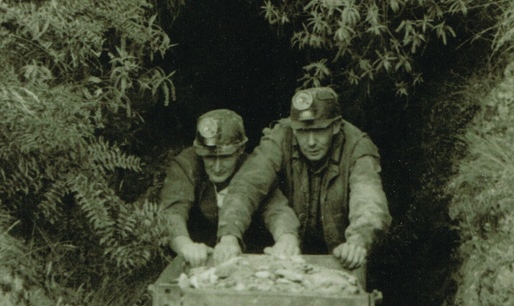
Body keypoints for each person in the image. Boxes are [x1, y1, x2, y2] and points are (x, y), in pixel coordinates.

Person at [213, 87, 391, 270]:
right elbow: (248, 183)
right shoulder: (281, 136)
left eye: (319, 130)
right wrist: (229, 236)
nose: (311, 141)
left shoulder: (357, 146)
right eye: (303, 131)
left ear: (336, 126)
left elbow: (369, 200)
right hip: (286, 250)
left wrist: (357, 241)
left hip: (342, 255)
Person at [159, 109, 300, 267]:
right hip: (199, 255)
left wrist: (286, 237)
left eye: (225, 157)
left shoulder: (254, 167)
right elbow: (172, 211)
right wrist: (185, 245)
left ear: (240, 150)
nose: (217, 167)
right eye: (210, 157)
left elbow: (275, 208)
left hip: (244, 255)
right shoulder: (186, 165)